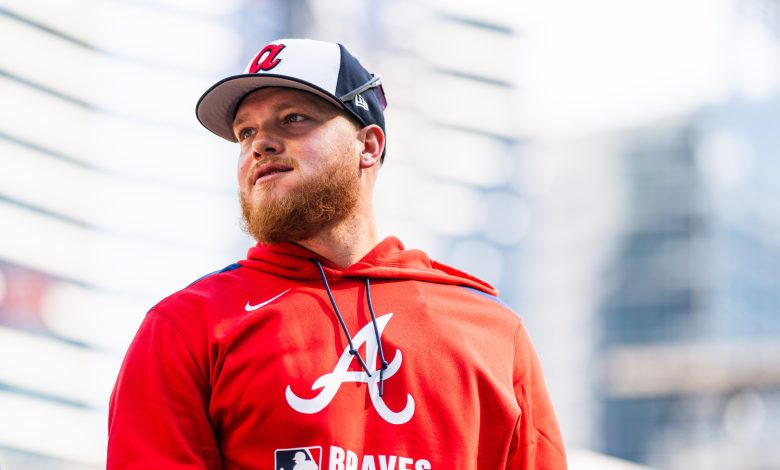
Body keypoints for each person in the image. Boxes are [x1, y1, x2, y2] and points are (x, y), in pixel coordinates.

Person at [107, 38, 567, 470]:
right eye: (245, 132)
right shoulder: (187, 326)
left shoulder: (492, 334)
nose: (259, 144)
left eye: (293, 119)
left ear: (368, 146)